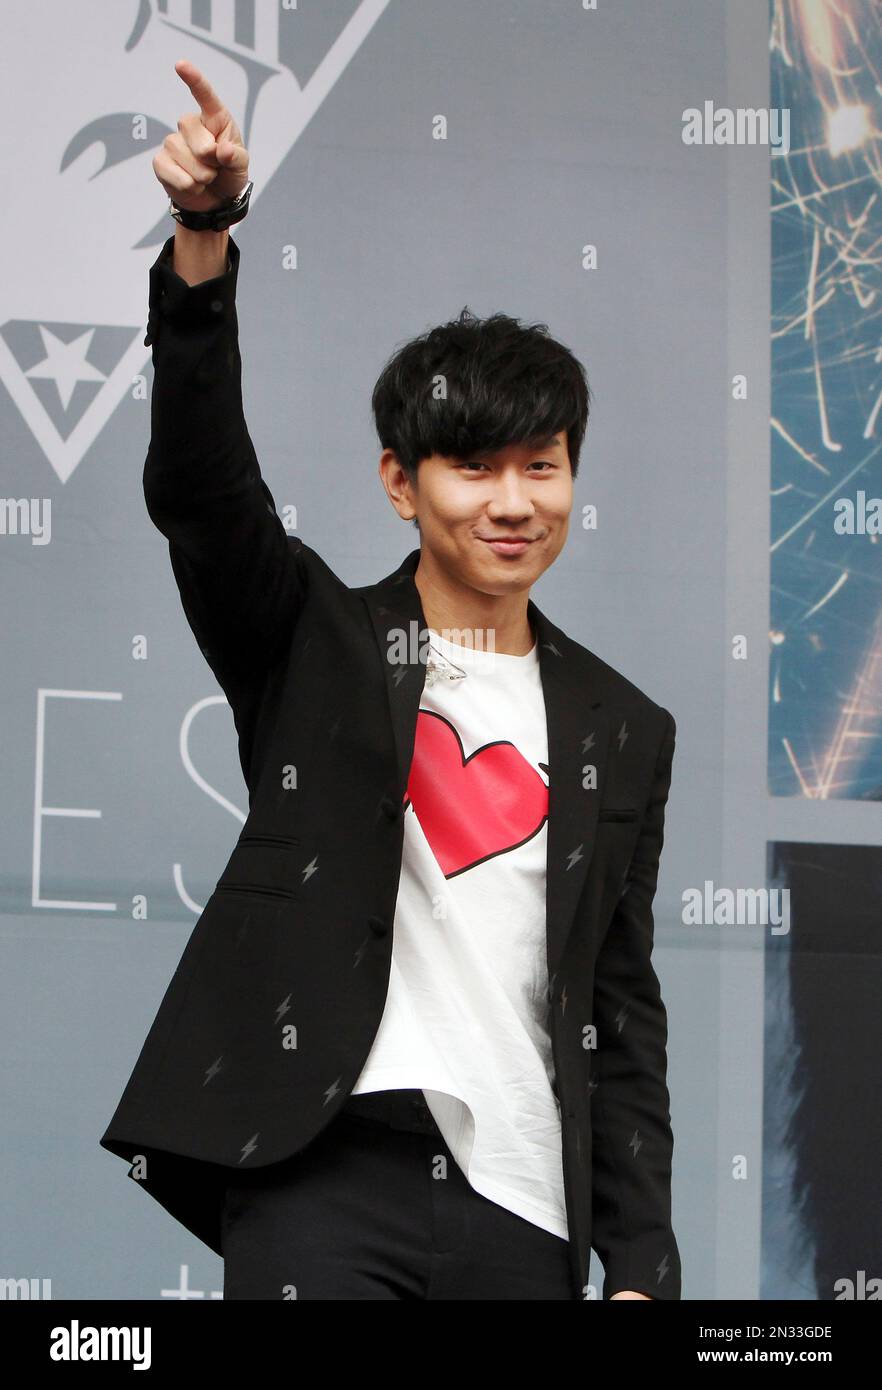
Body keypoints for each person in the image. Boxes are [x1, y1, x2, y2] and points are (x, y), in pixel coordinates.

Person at [100, 59, 681, 1301]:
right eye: (475, 468)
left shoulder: (623, 726)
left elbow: (618, 1006)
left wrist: (638, 1262)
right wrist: (203, 239)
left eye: (543, 464)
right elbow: (202, 491)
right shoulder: (315, 638)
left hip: (528, 1200)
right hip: (326, 1172)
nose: (513, 502)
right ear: (398, 482)